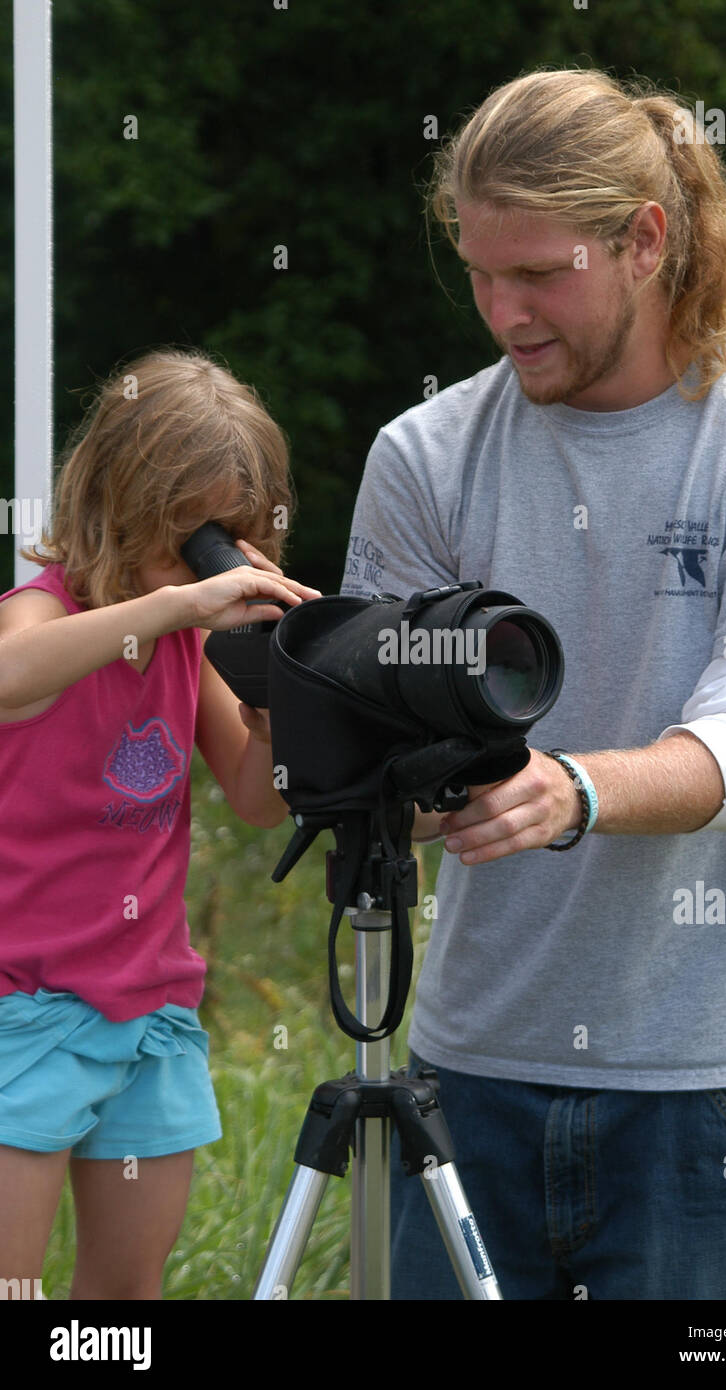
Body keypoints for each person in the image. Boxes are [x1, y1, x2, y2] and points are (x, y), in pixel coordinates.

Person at [340, 68, 726, 1300]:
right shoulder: (424, 455)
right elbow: (383, 752)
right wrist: (330, 729)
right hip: (467, 1072)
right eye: (478, 270)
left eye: (540, 273)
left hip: (703, 1086)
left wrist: (571, 788)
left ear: (645, 240)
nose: (503, 311)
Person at [0, 348, 316, 1300]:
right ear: (118, 504)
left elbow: (259, 800)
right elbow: (11, 682)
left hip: (151, 1016)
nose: (207, 562)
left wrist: (267, 689)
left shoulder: (186, 646)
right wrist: (177, 600)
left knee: (125, 1307)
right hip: (27, 1008)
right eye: (191, 538)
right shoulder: (42, 614)